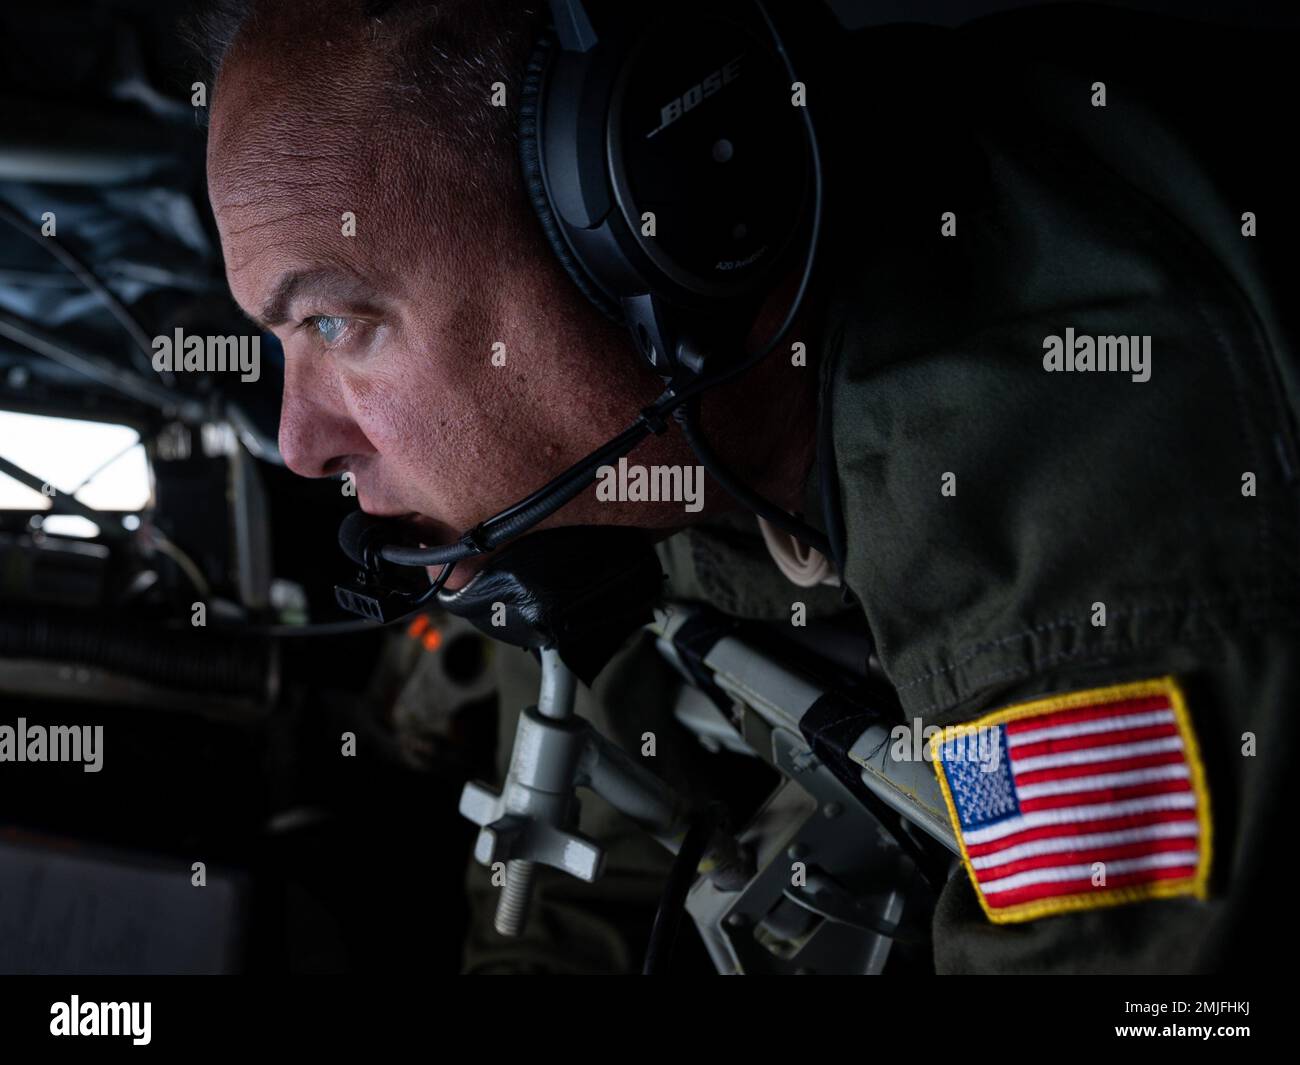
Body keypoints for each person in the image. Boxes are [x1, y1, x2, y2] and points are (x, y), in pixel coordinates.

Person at [199, 0, 1297, 973]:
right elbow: (593, 864)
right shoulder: (658, 437)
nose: (300, 442)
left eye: (334, 322)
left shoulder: (1049, 473)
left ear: (643, 212)